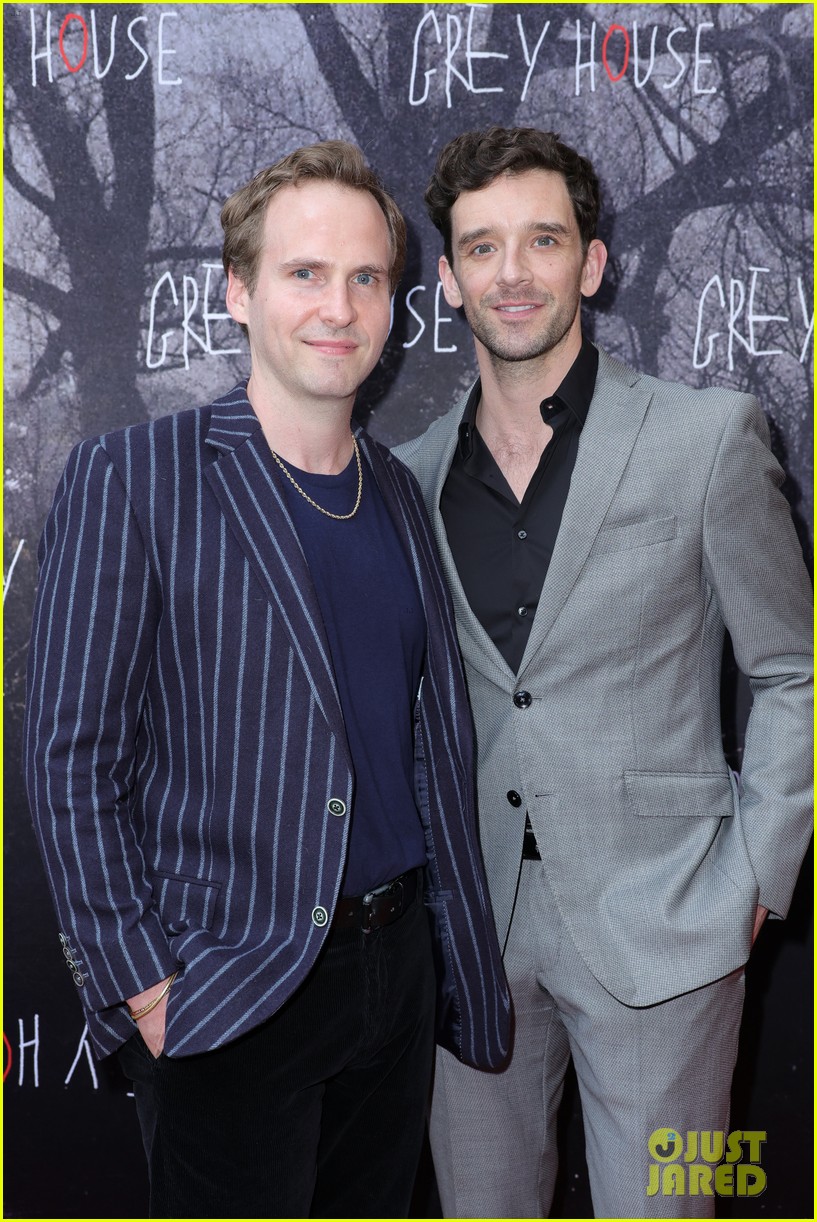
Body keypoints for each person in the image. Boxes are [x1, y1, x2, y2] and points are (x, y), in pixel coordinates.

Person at [23, 140, 510, 1220]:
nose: (337, 305)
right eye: (304, 273)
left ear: (391, 305)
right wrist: (144, 980)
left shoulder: (395, 493)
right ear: (238, 293)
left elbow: (421, 741)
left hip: (393, 980)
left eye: (365, 277)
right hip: (229, 987)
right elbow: (69, 755)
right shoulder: (135, 477)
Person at [396, 126, 812, 1219]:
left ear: (591, 262)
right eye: (481, 248)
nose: (513, 272)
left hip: (670, 924)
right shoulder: (405, 480)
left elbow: (793, 670)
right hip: (470, 942)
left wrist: (755, 880)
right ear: (447, 281)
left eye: (543, 240)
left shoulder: (709, 438)